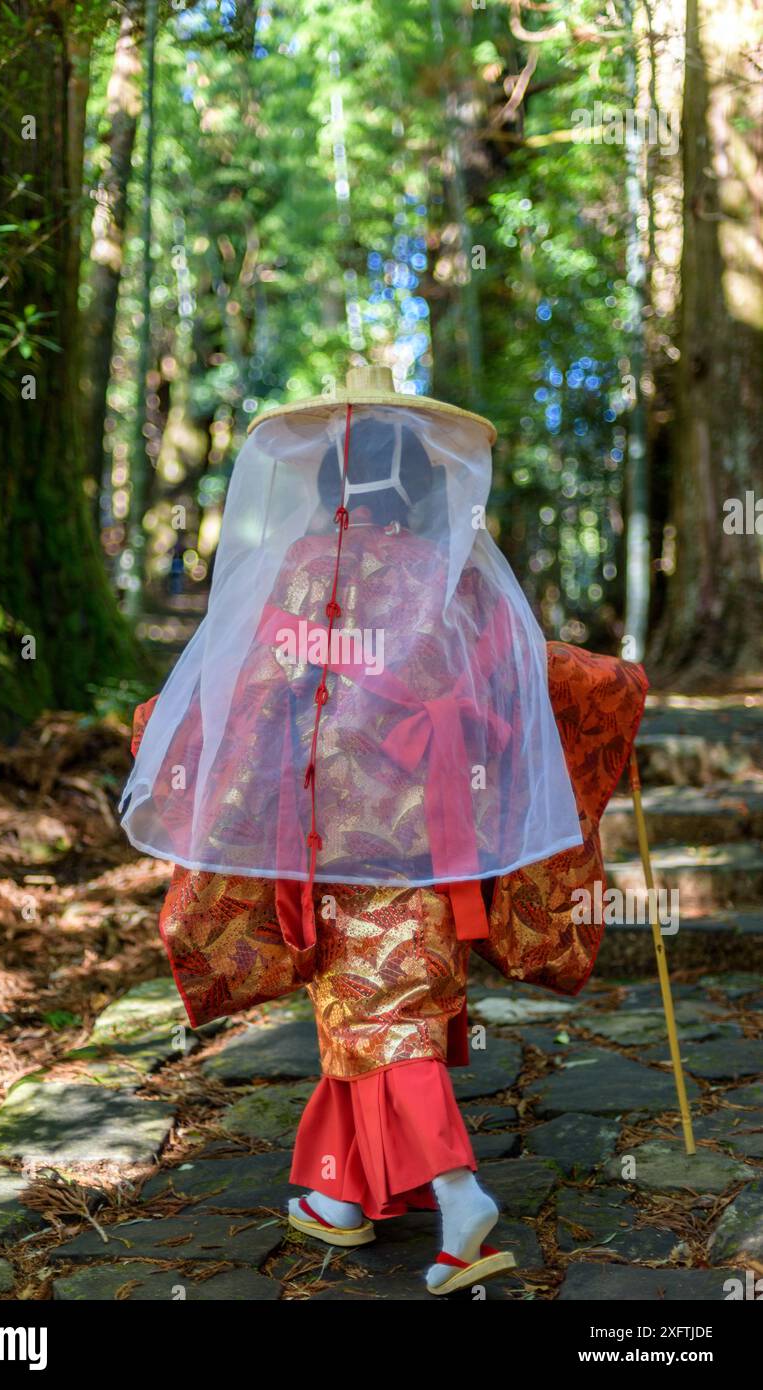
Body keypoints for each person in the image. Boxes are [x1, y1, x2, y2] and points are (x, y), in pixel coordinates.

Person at [121, 369, 646, 1295]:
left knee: (382, 1015)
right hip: (437, 840)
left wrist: (166, 732)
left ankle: (456, 1193)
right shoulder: (449, 566)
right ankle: (341, 1193)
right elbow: (521, 668)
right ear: (419, 480)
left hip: (331, 843)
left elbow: (248, 689)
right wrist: (614, 689)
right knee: (372, 1013)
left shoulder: (297, 573)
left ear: (330, 480)